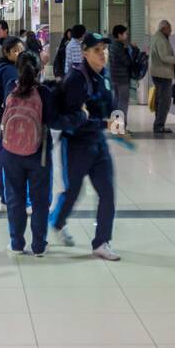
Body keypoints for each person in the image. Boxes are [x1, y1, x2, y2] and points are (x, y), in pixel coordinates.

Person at [49, 31, 120, 261]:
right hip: (76, 144)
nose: (103, 54)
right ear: (85, 53)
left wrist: (113, 120)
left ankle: (101, 241)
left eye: (105, 49)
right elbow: (72, 119)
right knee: (72, 191)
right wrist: (102, 122)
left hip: (98, 143)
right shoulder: (76, 79)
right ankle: (57, 223)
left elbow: (110, 105)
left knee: (107, 191)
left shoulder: (105, 75)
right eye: (97, 50)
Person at [0, 52, 56, 256]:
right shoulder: (44, 92)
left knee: (15, 198)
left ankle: (16, 244)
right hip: (38, 154)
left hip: (11, 152)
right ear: (39, 68)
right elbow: (52, 121)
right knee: (40, 200)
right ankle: (39, 245)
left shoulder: (10, 88)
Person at [0, 36, 25, 206]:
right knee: (7, 156)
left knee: (3, 154)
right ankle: (7, 194)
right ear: (6, 52)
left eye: (21, 50)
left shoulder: (2, 67)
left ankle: (5, 194)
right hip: (6, 121)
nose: (20, 53)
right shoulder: (10, 71)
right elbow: (11, 100)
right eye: (16, 51)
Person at [150, 19, 175, 134]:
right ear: (164, 28)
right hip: (162, 73)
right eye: (169, 28)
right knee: (164, 101)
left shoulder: (158, 37)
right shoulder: (161, 39)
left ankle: (158, 124)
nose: (171, 31)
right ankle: (159, 125)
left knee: (160, 100)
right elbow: (164, 57)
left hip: (158, 73)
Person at [108, 24, 133, 124]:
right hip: (122, 78)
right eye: (125, 34)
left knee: (116, 101)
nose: (127, 36)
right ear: (119, 35)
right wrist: (132, 51)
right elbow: (126, 62)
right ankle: (120, 126)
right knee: (123, 102)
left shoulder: (113, 45)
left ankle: (116, 126)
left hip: (114, 77)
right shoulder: (119, 47)